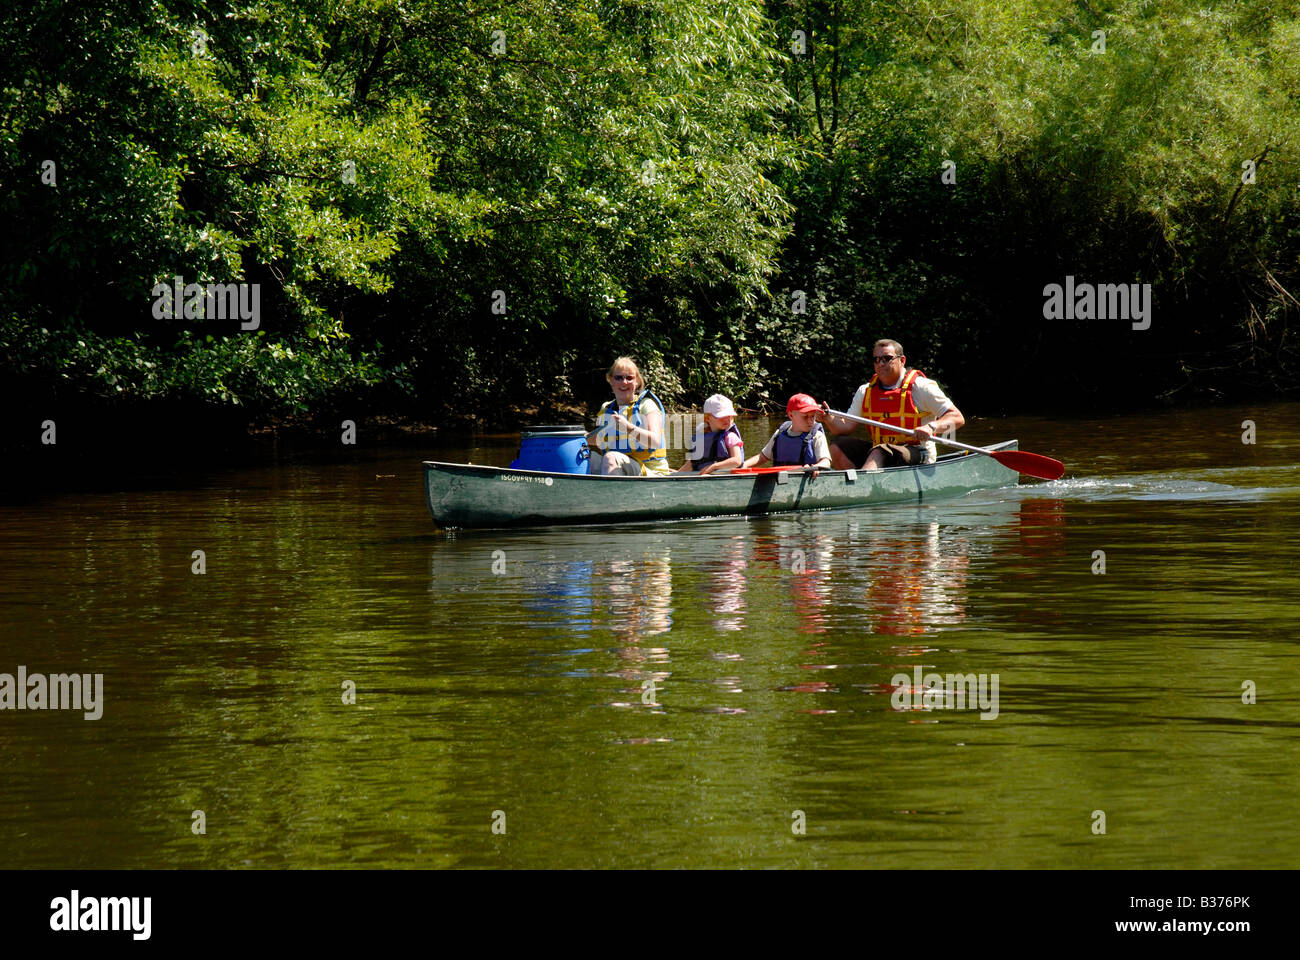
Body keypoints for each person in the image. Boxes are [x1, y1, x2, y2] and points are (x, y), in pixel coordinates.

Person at [818, 339, 965, 471]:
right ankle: (852, 485)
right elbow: (845, 427)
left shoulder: (921, 387)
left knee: (880, 450)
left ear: (902, 360)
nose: (881, 363)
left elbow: (957, 418)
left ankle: (863, 487)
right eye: (876, 359)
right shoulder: (865, 391)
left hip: (917, 453)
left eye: (887, 359)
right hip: (880, 452)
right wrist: (827, 419)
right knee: (838, 445)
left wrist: (931, 427)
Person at [586, 357, 671, 476]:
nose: (624, 382)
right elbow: (599, 440)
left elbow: (655, 441)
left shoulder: (647, 405)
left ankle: (612, 494)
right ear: (611, 380)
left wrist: (628, 428)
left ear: (636, 381)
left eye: (629, 378)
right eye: (619, 378)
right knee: (583, 456)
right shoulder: (606, 408)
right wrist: (579, 438)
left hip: (651, 471)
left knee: (611, 458)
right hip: (618, 466)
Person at [743, 393, 831, 471]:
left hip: (808, 482)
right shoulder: (779, 433)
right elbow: (762, 457)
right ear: (791, 415)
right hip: (780, 481)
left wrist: (815, 467)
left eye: (813, 416)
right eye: (805, 417)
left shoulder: (817, 436)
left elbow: (826, 462)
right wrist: (744, 465)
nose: (810, 421)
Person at [677, 394, 744, 474]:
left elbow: (737, 461)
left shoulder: (730, 437)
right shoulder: (702, 438)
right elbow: (692, 463)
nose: (727, 419)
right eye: (722, 416)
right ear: (708, 418)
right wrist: (676, 474)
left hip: (726, 478)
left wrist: (714, 466)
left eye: (730, 415)